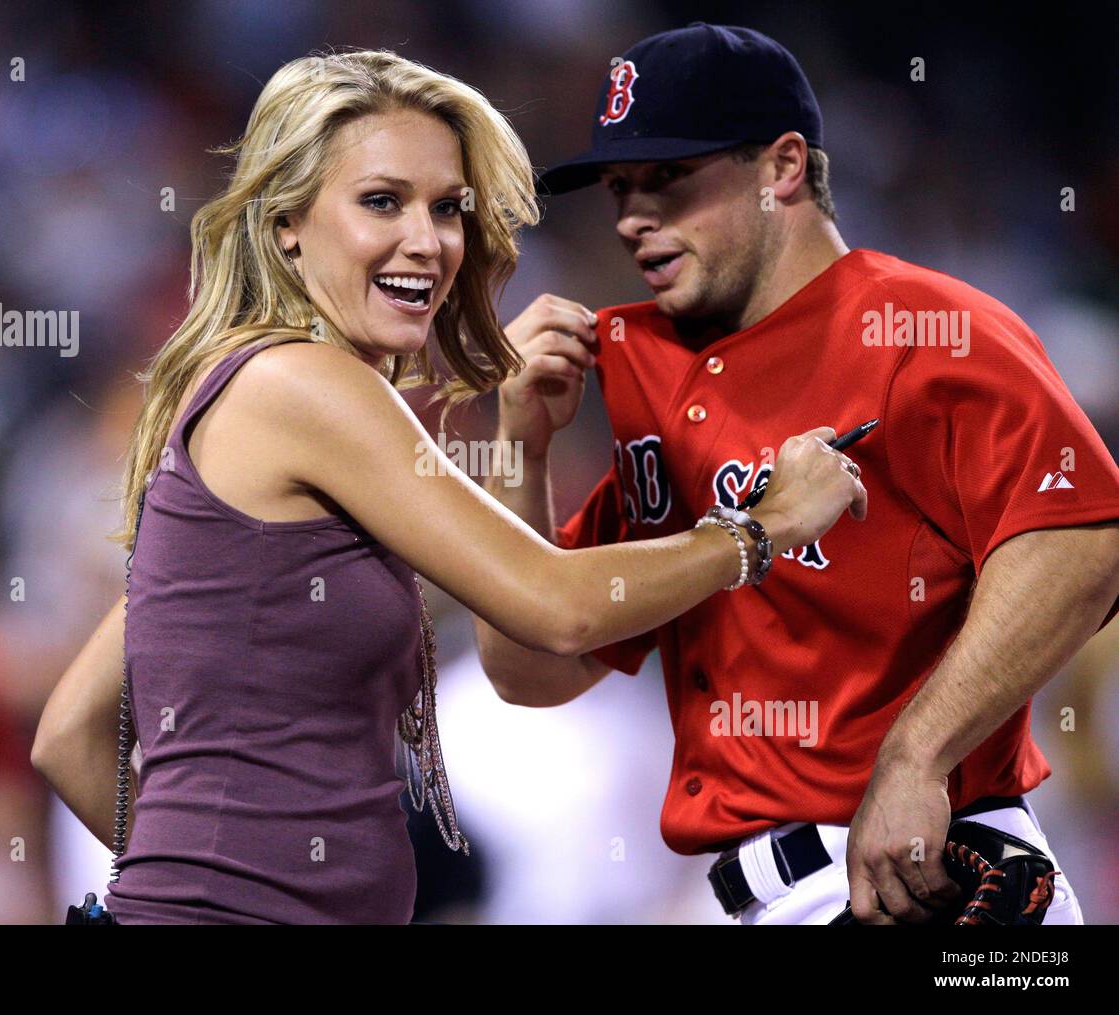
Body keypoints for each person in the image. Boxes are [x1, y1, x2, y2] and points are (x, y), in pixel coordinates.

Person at [30, 48, 866, 925]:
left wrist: (186, 890)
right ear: (286, 221)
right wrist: (758, 529)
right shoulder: (303, 384)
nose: (426, 241)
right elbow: (558, 605)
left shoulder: (267, 396)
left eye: (447, 208)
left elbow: (70, 734)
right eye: (381, 201)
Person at [474, 23, 1119, 925]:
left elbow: (1082, 539)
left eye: (669, 179)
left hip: (932, 869)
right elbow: (528, 668)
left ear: (782, 169)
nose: (631, 217)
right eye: (621, 188)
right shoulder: (653, 381)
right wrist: (523, 449)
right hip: (754, 895)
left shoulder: (924, 327)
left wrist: (916, 755)